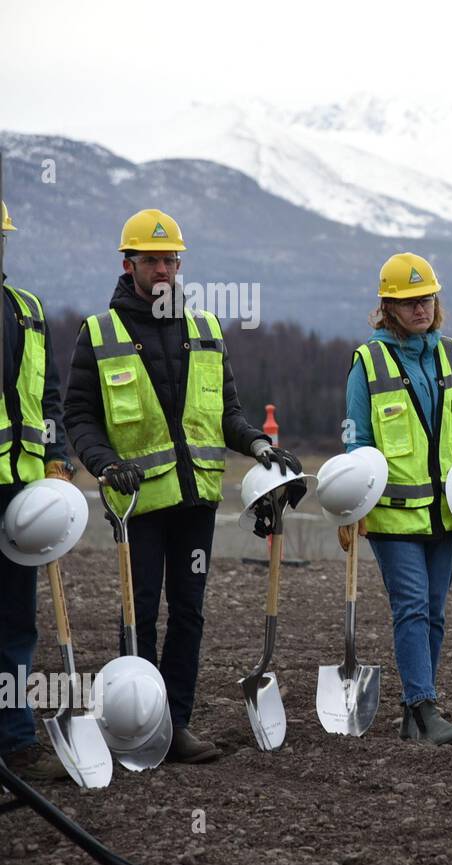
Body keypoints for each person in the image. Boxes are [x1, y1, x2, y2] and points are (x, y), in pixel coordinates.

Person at [63, 208, 300, 761]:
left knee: (189, 611)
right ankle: (136, 724)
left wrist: (259, 447)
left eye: (172, 259)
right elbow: (78, 416)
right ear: (130, 264)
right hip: (138, 502)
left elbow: (229, 415)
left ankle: (176, 723)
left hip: (196, 502)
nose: (165, 268)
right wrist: (101, 465)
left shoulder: (206, 330)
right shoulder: (99, 333)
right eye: (154, 260)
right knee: (139, 611)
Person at [342, 252, 452, 746]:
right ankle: (425, 709)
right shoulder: (368, 362)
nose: (420, 308)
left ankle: (414, 712)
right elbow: (356, 439)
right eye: (408, 302)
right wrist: (350, 505)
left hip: (446, 510)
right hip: (391, 514)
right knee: (411, 608)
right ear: (387, 307)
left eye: (426, 298)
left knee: (435, 609)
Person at [0, 200, 78, 780]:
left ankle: (16, 737)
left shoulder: (27, 311)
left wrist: (56, 456)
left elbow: (47, 400)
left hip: (20, 495)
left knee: (16, 622)